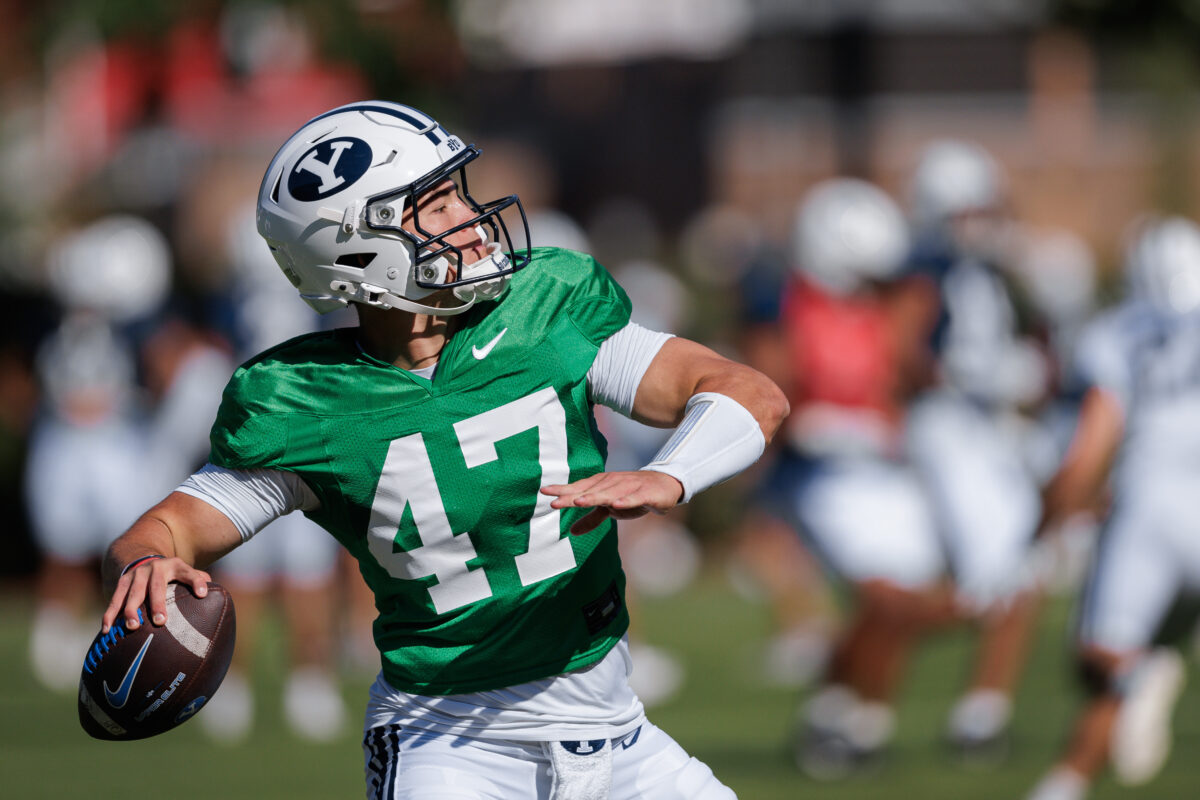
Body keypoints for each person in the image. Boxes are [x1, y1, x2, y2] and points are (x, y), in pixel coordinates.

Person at [97, 100, 788, 799]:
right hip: (452, 746)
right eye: (433, 205)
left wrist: (669, 476)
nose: (469, 216)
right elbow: (165, 531)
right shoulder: (306, 403)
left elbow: (747, 393)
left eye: (457, 191)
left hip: (621, 736)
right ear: (354, 250)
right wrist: (150, 564)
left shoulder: (545, 313)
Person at [747, 177, 946, 777]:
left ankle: (848, 713)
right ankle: (852, 719)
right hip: (825, 475)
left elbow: (910, 385)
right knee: (886, 598)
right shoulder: (786, 307)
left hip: (889, 471)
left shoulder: (892, 306)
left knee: (920, 606)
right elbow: (768, 392)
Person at [1024, 215, 1200, 800]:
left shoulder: (1118, 329)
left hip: (1150, 504)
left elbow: (1093, 442)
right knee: (1153, 638)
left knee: (1101, 657)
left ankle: (1134, 676)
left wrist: (1050, 519)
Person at [903, 139, 1050, 761]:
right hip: (947, 428)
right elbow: (904, 355)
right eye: (972, 210)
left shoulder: (988, 271)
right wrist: (973, 375)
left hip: (986, 430)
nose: (986, 220)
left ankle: (982, 713)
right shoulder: (924, 273)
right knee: (991, 581)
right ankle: (859, 667)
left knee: (1022, 574)